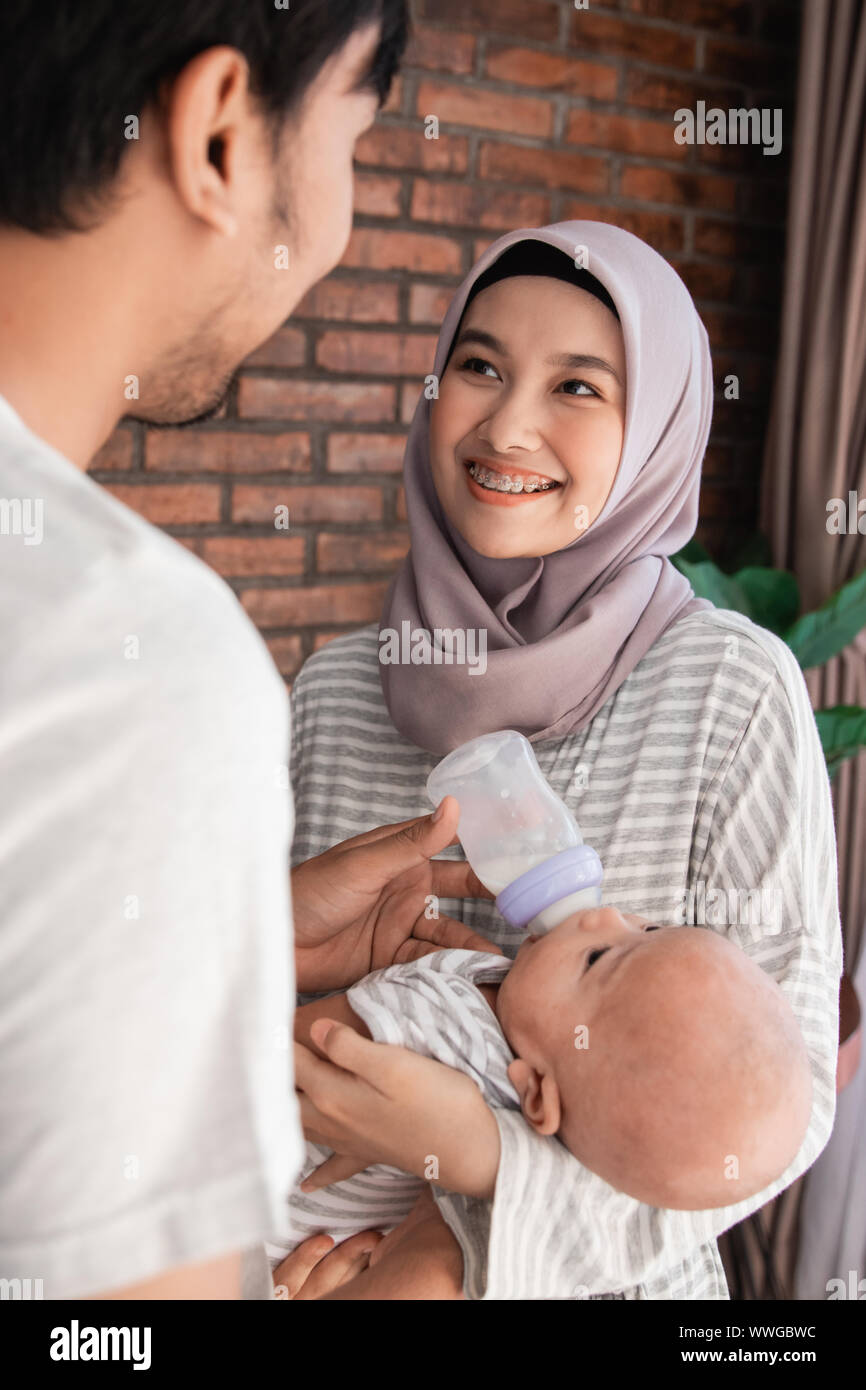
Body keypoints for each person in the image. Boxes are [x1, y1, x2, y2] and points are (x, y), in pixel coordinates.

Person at [0, 0, 488, 1301]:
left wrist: (239, 938)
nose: (338, 225)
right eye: (350, 138)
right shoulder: (130, 664)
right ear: (221, 133)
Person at [287, 221, 844, 1299]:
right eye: (479, 364)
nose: (507, 424)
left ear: (655, 433)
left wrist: (485, 1159)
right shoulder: (337, 689)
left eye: (578, 387)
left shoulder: (728, 689)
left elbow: (790, 1102)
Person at [267, 905, 814, 1279]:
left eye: (597, 957)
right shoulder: (537, 1135)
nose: (604, 915)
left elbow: (253, 1068)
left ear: (536, 1097)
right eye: (649, 930)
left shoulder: (442, 1029)